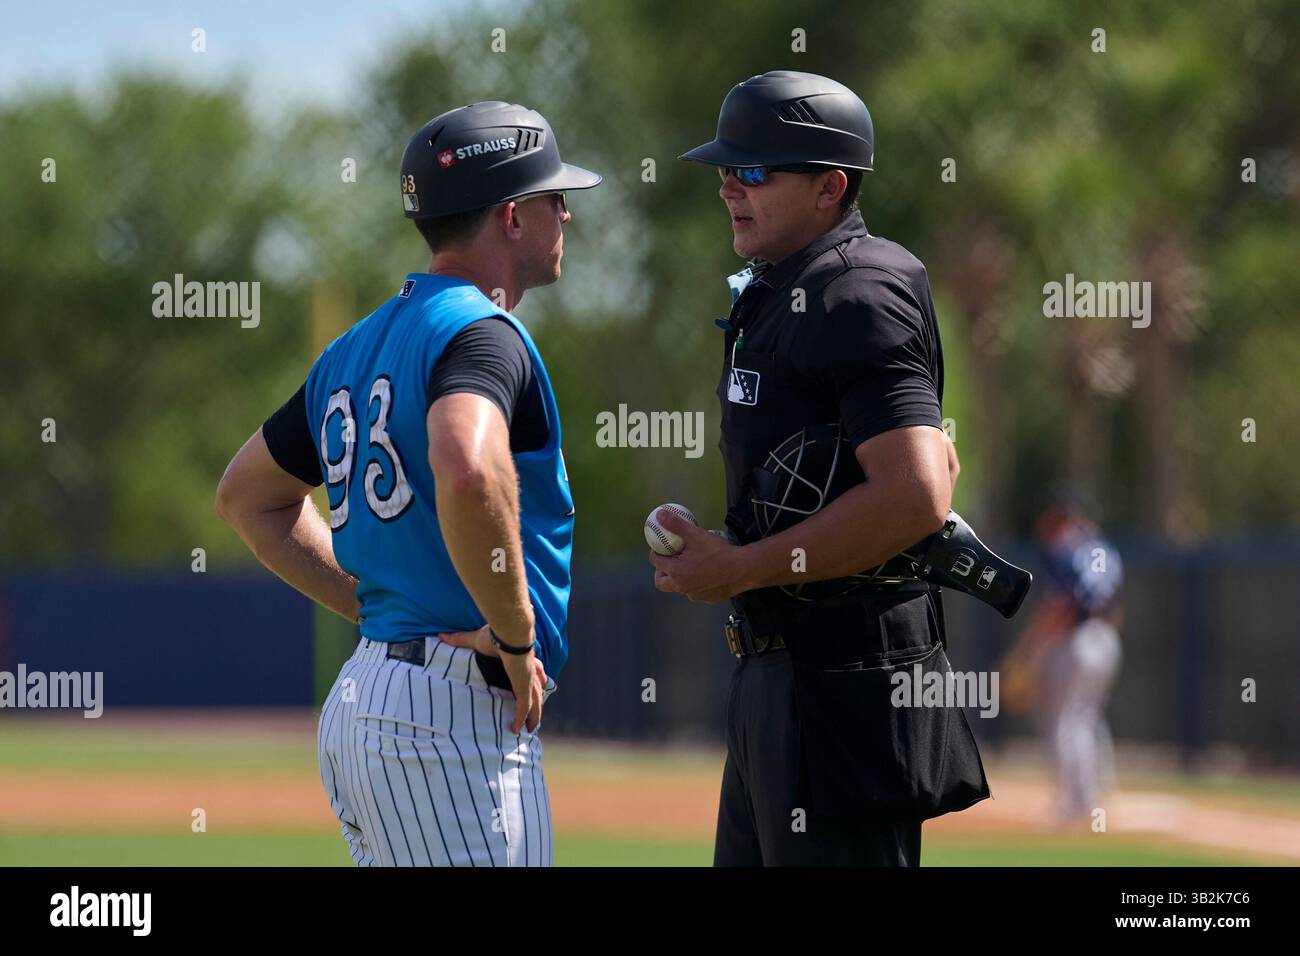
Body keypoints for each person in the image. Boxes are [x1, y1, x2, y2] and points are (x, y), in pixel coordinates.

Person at [214, 100, 600, 866]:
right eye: (557, 198)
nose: (568, 214)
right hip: (451, 719)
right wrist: (516, 636)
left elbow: (246, 497)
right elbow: (464, 463)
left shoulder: (354, 346)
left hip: (372, 701)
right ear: (515, 216)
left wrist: (379, 608)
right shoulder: (484, 330)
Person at [651, 71, 987, 867]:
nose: (730, 187)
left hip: (847, 686)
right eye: (726, 170)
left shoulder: (858, 287)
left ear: (830, 186)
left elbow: (915, 497)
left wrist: (736, 566)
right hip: (783, 676)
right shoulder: (784, 287)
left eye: (756, 170)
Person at [1005, 488, 1123, 825]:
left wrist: (1029, 652)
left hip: (1076, 639)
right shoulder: (1104, 549)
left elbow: (1059, 606)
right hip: (1106, 637)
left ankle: (1078, 802)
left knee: (1063, 720)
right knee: (1088, 714)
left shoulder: (1067, 548)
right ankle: (1101, 792)